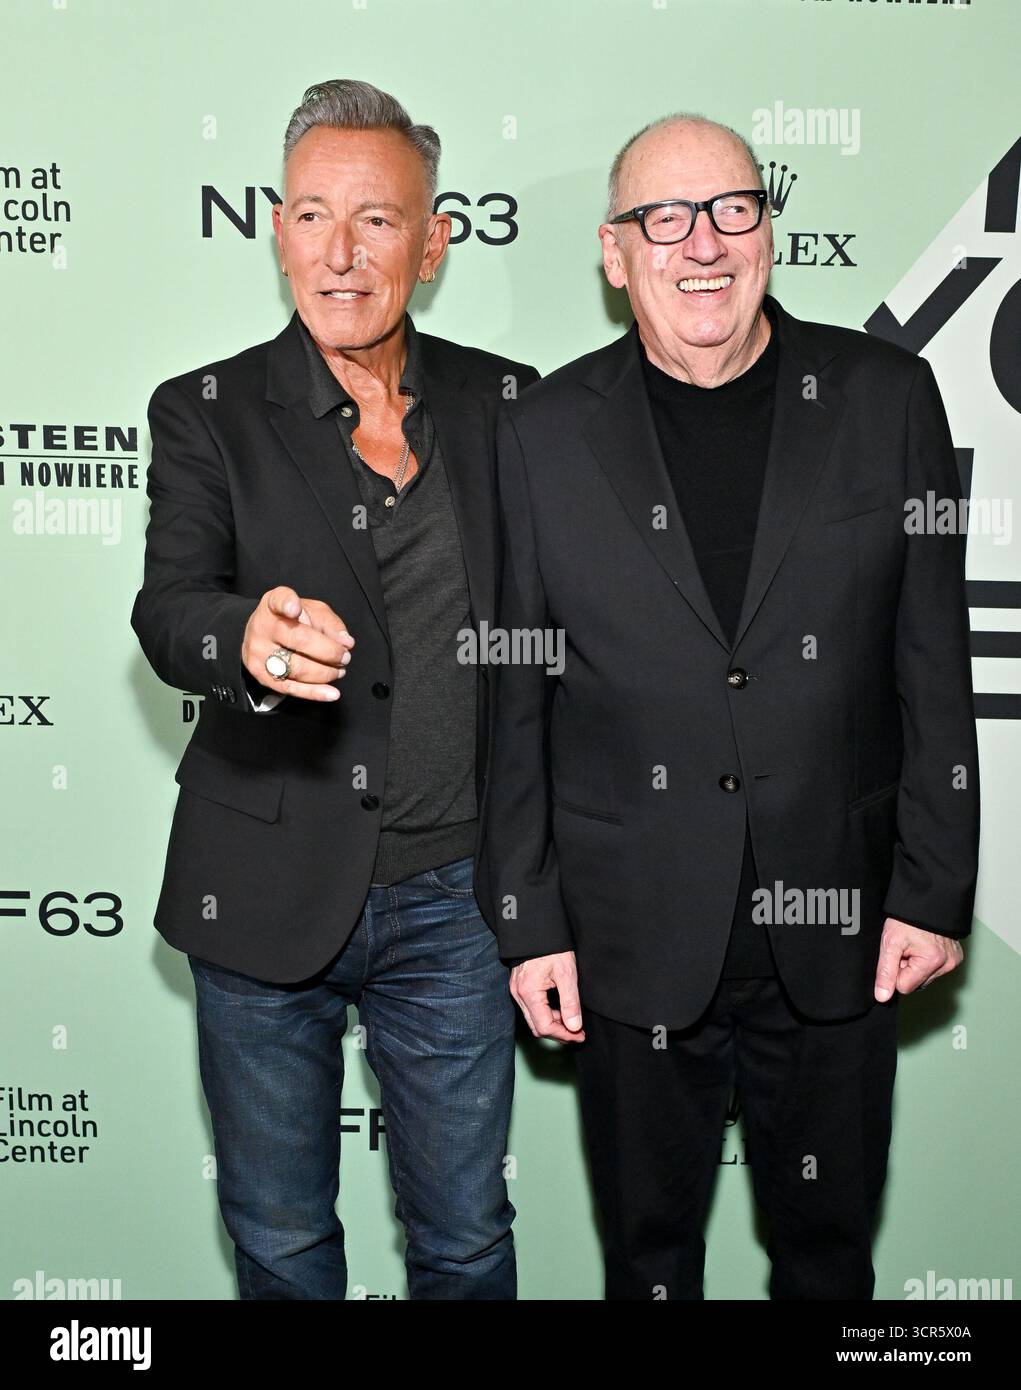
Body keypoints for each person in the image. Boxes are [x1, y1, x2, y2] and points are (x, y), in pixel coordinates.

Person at [481, 112, 979, 1300]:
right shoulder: (542, 432)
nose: (701, 243)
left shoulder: (884, 397)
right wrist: (528, 918)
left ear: (767, 230)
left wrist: (933, 885)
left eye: (731, 209)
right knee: (649, 1266)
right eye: (664, 216)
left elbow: (933, 665)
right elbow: (514, 691)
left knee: (828, 1265)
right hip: (627, 933)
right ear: (615, 253)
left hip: (844, 929)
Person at [131, 78, 537, 1300]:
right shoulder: (205, 412)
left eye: (376, 220)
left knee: (465, 1241)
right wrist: (243, 636)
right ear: (276, 232)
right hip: (261, 886)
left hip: (457, 901)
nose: (341, 253)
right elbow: (169, 608)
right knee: (283, 1241)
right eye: (312, 216)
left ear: (433, 240)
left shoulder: (515, 405)